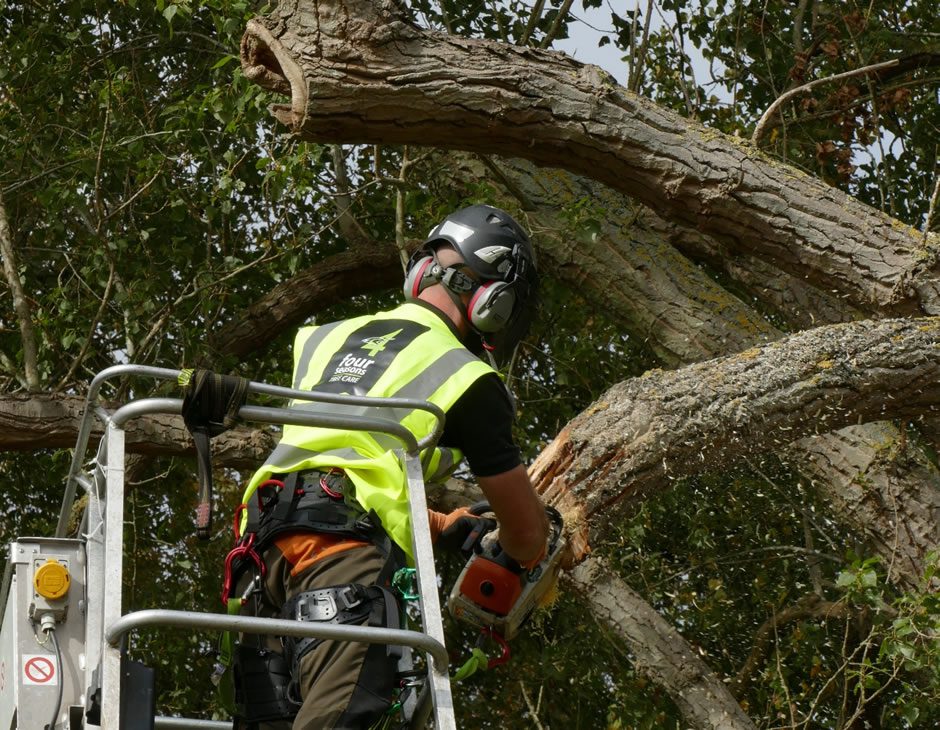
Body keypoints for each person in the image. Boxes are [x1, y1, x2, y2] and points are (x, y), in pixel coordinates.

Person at [227, 204, 549, 729]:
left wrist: (441, 525)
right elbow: (528, 535)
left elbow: (346, 469)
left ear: (422, 270)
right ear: (496, 300)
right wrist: (522, 550)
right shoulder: (466, 374)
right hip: (343, 564)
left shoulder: (324, 339)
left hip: (264, 561)